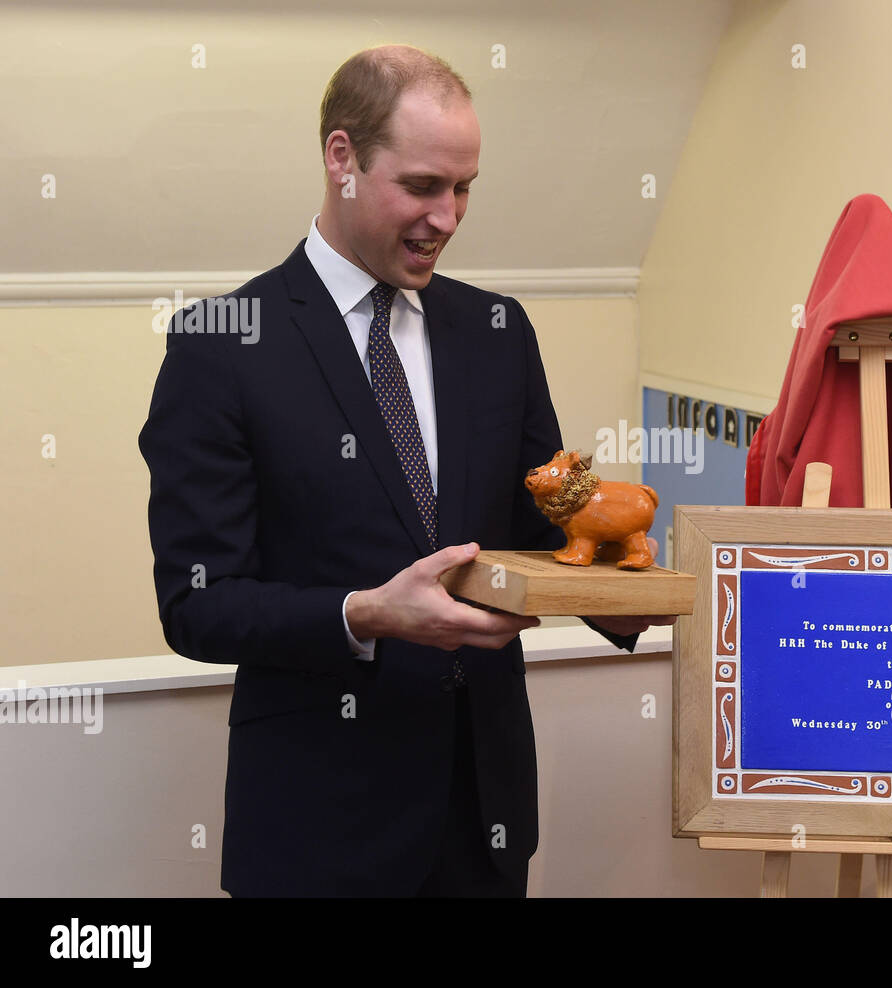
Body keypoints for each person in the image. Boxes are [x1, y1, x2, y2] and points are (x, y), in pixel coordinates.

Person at [138, 44, 673, 897]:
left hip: (484, 819)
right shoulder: (221, 345)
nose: (449, 217)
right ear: (341, 159)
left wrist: (675, 588)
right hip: (317, 833)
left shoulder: (500, 332)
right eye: (423, 186)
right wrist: (366, 615)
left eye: (464, 189)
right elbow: (197, 603)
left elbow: (549, 534)